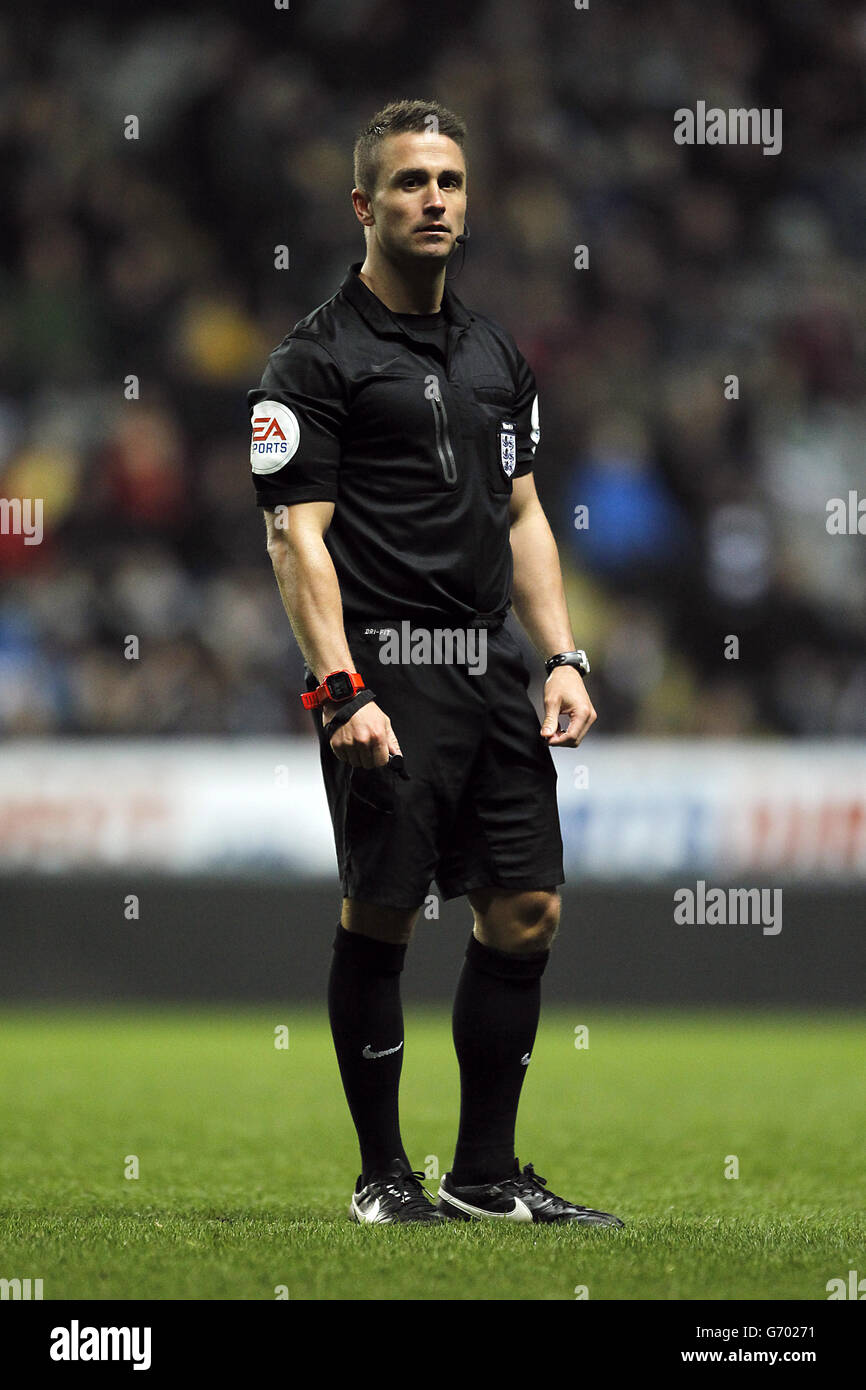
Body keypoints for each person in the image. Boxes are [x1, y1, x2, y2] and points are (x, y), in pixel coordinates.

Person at [247, 99, 623, 1228]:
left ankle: (483, 1175)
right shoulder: (312, 361)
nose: (434, 200)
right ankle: (380, 1176)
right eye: (409, 182)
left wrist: (561, 654)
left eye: (450, 182)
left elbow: (521, 513)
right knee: (382, 914)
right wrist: (337, 687)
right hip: (383, 673)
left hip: (487, 668)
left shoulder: (496, 354)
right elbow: (291, 535)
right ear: (364, 204)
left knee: (526, 911)